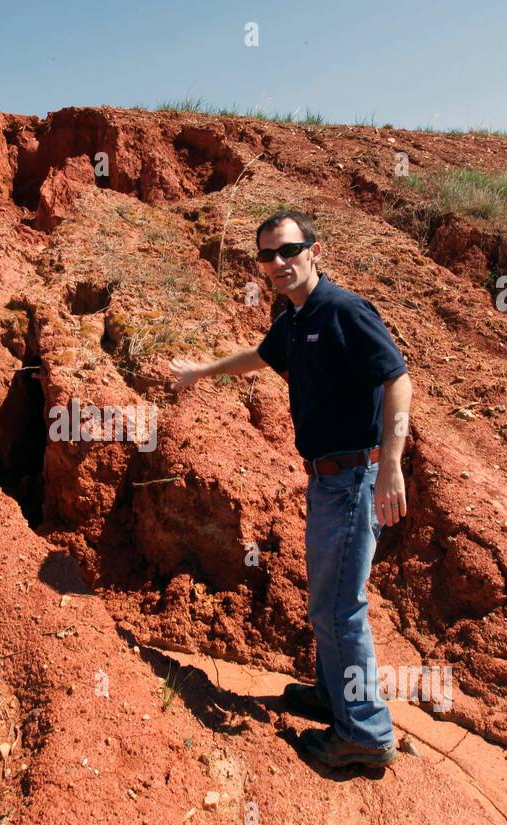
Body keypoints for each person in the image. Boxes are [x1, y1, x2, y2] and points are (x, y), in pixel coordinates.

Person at [170, 210, 412, 768]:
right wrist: (201, 372)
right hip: (327, 482)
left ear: (314, 251)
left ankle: (367, 734)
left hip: (355, 479)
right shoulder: (294, 317)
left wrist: (392, 465)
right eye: (266, 255)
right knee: (324, 602)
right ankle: (334, 695)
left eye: (287, 250)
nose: (277, 263)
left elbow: (397, 378)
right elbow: (260, 357)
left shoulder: (344, 310)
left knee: (341, 607)